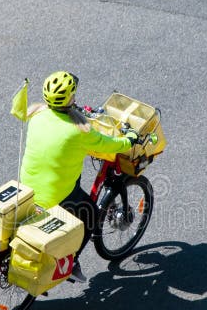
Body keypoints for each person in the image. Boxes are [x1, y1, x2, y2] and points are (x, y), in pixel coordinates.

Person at [20, 71, 139, 283]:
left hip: (27, 186)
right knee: (91, 214)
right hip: (54, 195)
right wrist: (129, 139)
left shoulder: (36, 115)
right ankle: (72, 261)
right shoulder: (78, 131)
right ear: (70, 98)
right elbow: (107, 144)